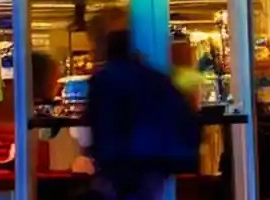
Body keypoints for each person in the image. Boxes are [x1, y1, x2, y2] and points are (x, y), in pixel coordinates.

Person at [85, 29, 200, 200]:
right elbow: (179, 115)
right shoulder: (156, 79)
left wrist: (98, 154)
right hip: (152, 157)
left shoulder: (103, 80)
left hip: (116, 158)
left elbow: (100, 120)